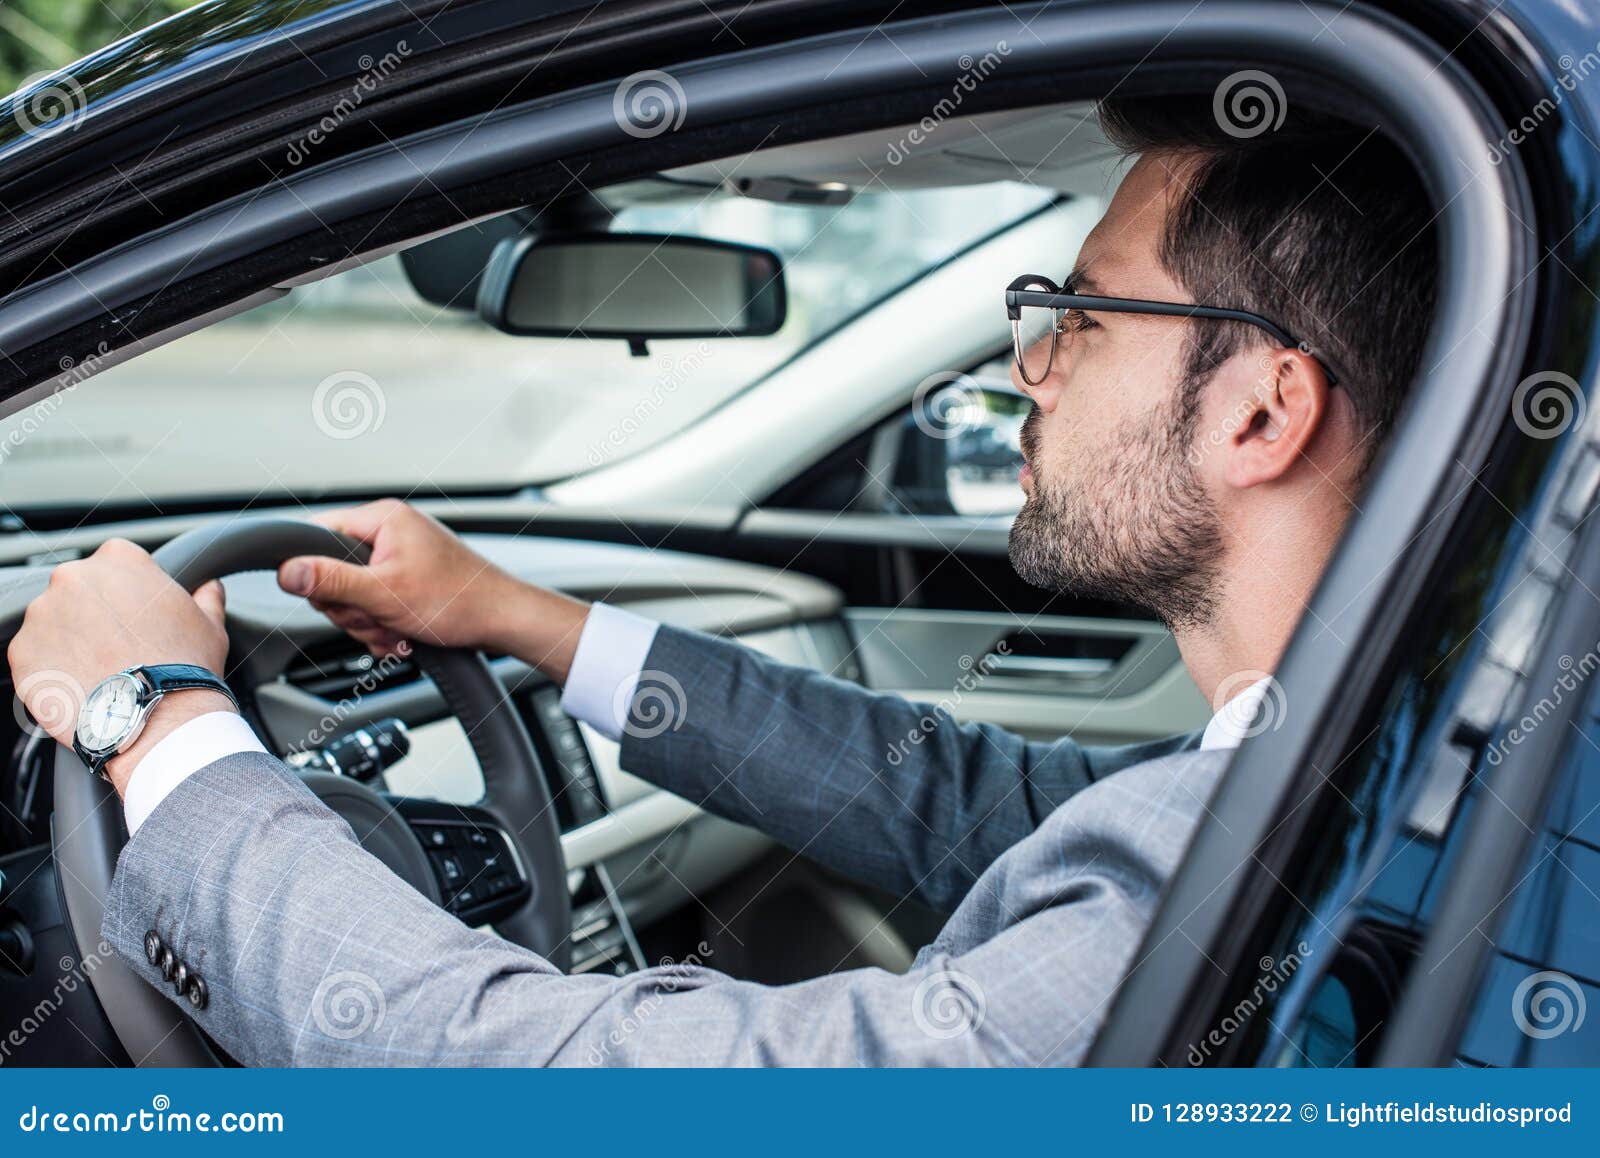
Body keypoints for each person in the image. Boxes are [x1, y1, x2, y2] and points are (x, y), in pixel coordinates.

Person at [8, 97, 1438, 1065]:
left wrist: (162, 726)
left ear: (1263, 411)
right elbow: (966, 805)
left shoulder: (1230, 861)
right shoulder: (1344, 749)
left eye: (1082, 313)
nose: (1030, 368)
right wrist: (517, 619)